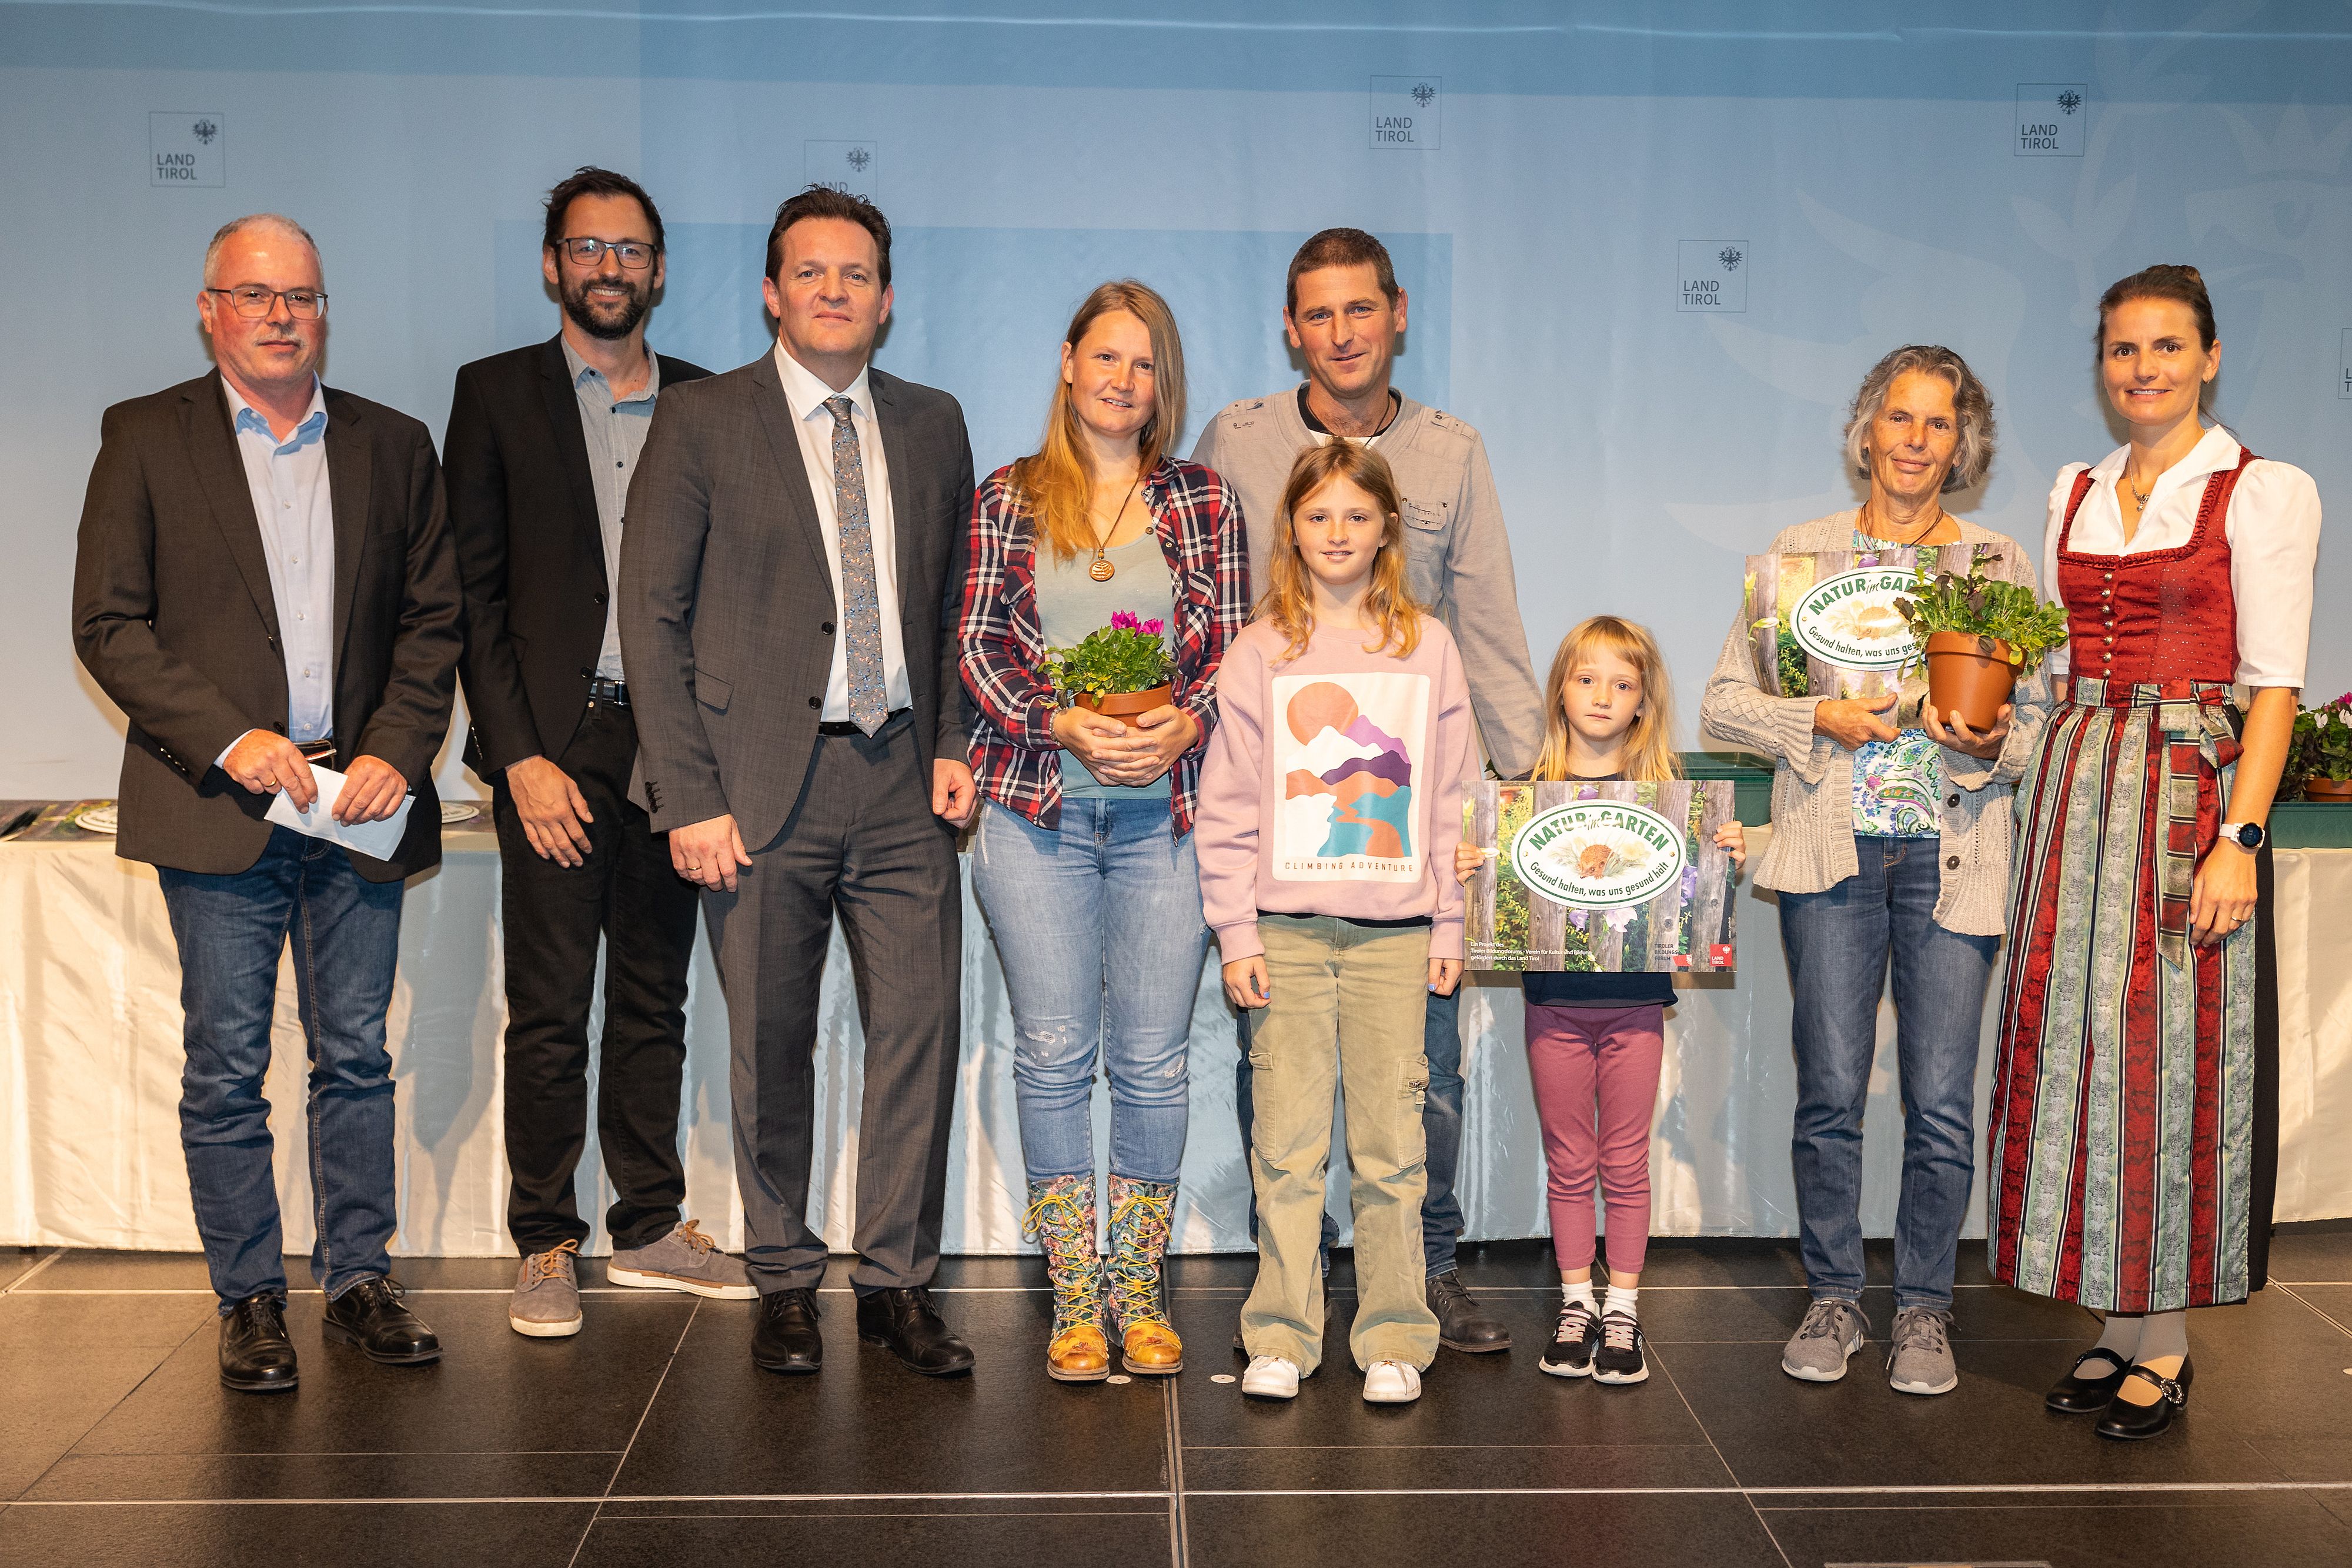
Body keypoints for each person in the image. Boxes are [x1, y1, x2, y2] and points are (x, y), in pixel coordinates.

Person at [70, 214, 464, 1392]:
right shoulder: (145, 436)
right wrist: (231, 738)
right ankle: (248, 1297)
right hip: (222, 803)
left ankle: (359, 1281)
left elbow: (432, 620)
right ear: (210, 310)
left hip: (356, 802)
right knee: (226, 1063)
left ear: (323, 312)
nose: (281, 316)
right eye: (255, 295)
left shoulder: (395, 444)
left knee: (356, 1057)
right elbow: (108, 623)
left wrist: (399, 749)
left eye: (301, 296)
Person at [619, 186, 980, 1378]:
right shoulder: (701, 417)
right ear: (772, 294)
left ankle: (897, 1284)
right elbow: (651, 615)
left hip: (902, 780)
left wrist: (954, 741)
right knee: (772, 1046)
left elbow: (951, 604)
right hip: (755, 786)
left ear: (886, 298)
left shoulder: (932, 422)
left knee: (919, 1033)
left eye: (855, 273)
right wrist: (686, 795)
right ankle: (782, 1275)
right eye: (810, 273)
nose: (834, 291)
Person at [1193, 228, 1542, 1351]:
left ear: (1396, 314)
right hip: (1282, 852)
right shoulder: (1237, 440)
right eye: (1319, 313)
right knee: (1280, 1093)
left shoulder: (1451, 452)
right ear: (1291, 329)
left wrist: (1536, 796)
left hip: (1403, 864)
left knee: (1420, 1086)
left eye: (1361, 309)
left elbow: (1487, 628)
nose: (1342, 333)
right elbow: (1206, 612)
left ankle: (1424, 1278)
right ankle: (1286, 1288)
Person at [1991, 265, 2319, 1440]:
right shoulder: (2074, 489)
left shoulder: (2260, 491)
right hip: (2074, 785)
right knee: (2078, 1049)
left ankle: (2166, 1340)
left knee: (2171, 1057)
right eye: (2123, 349)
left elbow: (2271, 687)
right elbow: (2050, 666)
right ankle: (2117, 1321)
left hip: (2185, 794)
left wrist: (2240, 837)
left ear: (2209, 357)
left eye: (2167, 347)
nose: (2143, 369)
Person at [1699, 345, 2050, 1398]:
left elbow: (2040, 728)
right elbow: (1722, 702)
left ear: (1964, 444)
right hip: (1832, 856)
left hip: (1953, 857)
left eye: (1939, 423)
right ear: (1866, 431)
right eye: (1900, 417)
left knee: (1940, 1101)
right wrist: (1819, 715)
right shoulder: (1800, 555)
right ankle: (1836, 1297)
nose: (1915, 440)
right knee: (1831, 1096)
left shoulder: (1996, 566)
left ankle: (1928, 1309)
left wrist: (1990, 744)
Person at [445, 168, 749, 1339]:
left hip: (671, 746)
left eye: (628, 250)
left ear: (657, 270)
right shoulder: (494, 395)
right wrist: (517, 758)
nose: (607, 267)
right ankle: (543, 1240)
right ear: (551, 265)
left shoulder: (710, 402)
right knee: (549, 1008)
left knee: (653, 998)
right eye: (586, 248)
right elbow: (472, 597)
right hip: (552, 752)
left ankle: (649, 1226)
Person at [960, 282, 1248, 1380]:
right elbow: (978, 642)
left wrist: (1189, 720)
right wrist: (1059, 720)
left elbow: (1235, 645)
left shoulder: (1204, 501)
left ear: (1162, 383)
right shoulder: (1007, 497)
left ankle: (1139, 1287)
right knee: (1051, 1053)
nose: (1125, 380)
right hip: (1035, 811)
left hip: (1169, 817)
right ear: (1069, 363)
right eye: (1108, 357)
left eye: (1146, 363)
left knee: (1153, 1062)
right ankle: (1074, 1297)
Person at [1196, 440, 1475, 1406]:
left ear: (1388, 528)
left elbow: (1450, 800)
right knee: (1287, 1149)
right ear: (1292, 529)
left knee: (1394, 1149)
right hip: (1288, 937)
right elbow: (1227, 805)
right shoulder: (1259, 651)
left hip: (1397, 942)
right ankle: (1280, 1333)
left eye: (1358, 515)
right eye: (1319, 516)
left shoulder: (1428, 647)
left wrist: (1449, 927)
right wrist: (1237, 932)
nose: (1338, 533)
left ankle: (1395, 1333)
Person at [1454, 618, 1745, 1387]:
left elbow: (1689, 893)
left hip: (1636, 1006)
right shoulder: (1521, 797)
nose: (1602, 696)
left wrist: (1722, 854)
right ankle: (1575, 1302)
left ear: (1643, 702)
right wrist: (1471, 863)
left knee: (1624, 1160)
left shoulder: (1669, 800)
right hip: (1552, 1003)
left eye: (1622, 684)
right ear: (1560, 691)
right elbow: (1499, 887)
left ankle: (1623, 1308)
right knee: (1570, 1160)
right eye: (1586, 679)